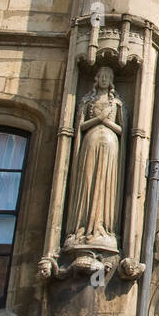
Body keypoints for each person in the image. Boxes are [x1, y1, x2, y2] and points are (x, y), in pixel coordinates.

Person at [67, 66, 123, 249]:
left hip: (110, 145)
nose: (105, 79)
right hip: (90, 143)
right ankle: (82, 228)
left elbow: (122, 129)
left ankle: (102, 227)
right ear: (96, 79)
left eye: (109, 76)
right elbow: (80, 126)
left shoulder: (116, 103)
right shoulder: (87, 101)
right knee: (88, 183)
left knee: (106, 184)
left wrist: (105, 121)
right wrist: (98, 120)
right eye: (102, 76)